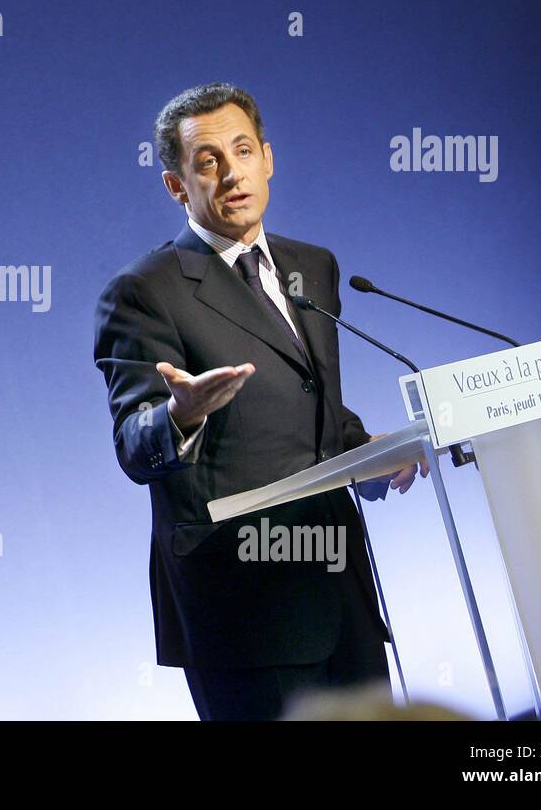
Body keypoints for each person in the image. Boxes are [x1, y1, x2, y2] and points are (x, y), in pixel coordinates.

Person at [93, 82, 426, 720]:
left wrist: (368, 452)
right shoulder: (144, 292)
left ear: (268, 159)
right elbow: (134, 446)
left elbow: (318, 407)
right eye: (207, 161)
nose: (231, 174)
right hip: (243, 607)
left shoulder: (314, 266)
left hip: (339, 583)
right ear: (176, 185)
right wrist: (180, 414)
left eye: (242, 151)